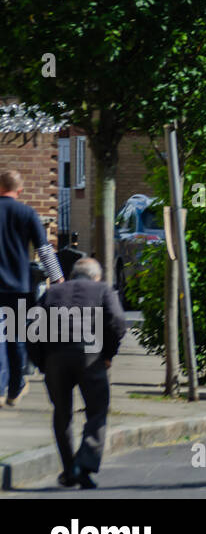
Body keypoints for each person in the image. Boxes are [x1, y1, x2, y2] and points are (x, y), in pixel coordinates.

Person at [29, 257, 128, 488]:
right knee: (97, 410)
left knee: (61, 414)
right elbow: (117, 321)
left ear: (74, 274)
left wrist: (42, 362)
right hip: (90, 355)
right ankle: (84, 463)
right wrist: (108, 354)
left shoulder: (52, 293)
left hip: (55, 355)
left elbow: (31, 327)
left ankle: (69, 468)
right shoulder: (103, 289)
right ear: (96, 276)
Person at [0, 169, 63, 407]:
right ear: (20, 190)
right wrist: (58, 279)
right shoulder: (27, 213)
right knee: (15, 338)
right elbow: (45, 249)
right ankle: (15, 388)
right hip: (19, 286)